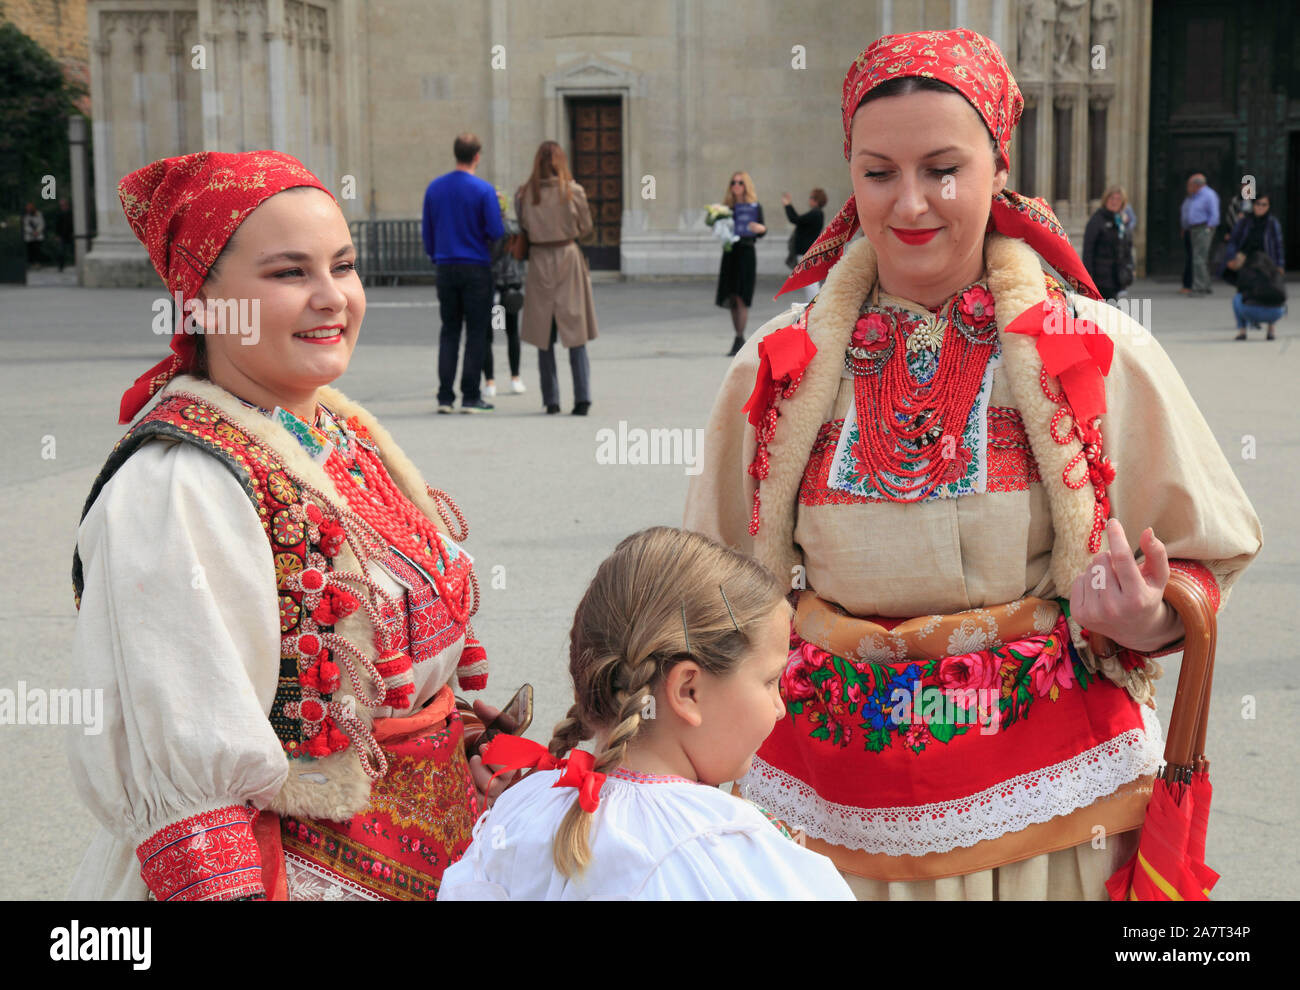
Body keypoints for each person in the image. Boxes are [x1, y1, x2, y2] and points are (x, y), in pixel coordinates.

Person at [684, 29, 1262, 901]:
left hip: (1054, 813)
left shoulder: (1095, 352)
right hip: (828, 819)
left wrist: (1148, 616)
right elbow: (708, 584)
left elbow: (1203, 556)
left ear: (998, 169)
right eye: (879, 172)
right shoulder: (777, 367)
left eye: (943, 169)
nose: (910, 203)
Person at [67, 150, 510, 900]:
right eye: (288, 273)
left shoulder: (337, 433)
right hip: (291, 875)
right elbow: (190, 770)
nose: (331, 297)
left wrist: (452, 739)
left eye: (343, 266)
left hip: (432, 861)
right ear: (201, 301)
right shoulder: (179, 485)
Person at [439, 527, 854, 900]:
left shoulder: (522, 809)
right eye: (769, 681)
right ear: (687, 691)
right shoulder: (725, 853)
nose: (780, 707)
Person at [423, 132, 504, 413]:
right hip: (476, 266)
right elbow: (496, 231)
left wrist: (436, 256)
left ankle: (445, 396)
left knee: (449, 331)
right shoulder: (483, 190)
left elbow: (428, 232)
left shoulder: (435, 188)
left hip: (446, 266)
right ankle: (471, 395)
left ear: (456, 153)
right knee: (477, 332)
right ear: (477, 157)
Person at [515, 141, 598, 416]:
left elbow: (523, 226)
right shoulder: (573, 192)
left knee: (544, 334)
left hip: (539, 260)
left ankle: (551, 399)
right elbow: (586, 228)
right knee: (576, 332)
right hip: (567, 256)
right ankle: (582, 397)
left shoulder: (525, 194)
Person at [717, 172, 768, 356]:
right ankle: (737, 337)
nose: (736, 186)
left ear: (746, 185)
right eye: (733, 182)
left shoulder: (754, 207)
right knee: (731, 297)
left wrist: (759, 228)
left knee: (741, 297)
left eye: (740, 182)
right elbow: (719, 229)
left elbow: (763, 230)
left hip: (746, 253)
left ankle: (739, 336)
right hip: (730, 254)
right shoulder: (726, 208)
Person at [483, 202, 526, 397]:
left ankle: (490, 382)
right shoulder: (515, 228)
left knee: (488, 335)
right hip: (512, 284)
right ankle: (515, 378)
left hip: (492, 285)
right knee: (511, 333)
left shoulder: (486, 229)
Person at [1219, 193, 1285, 286]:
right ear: (1253, 205)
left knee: (1264, 287)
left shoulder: (1272, 223)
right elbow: (1234, 241)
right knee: (1245, 287)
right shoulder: (1244, 222)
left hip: (1265, 260)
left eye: (1264, 204)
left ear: (1268, 206)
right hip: (1246, 258)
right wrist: (1231, 257)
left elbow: (1278, 245)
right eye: (1258, 204)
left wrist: (1279, 265)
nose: (1260, 207)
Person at [1082, 185, 1134, 300]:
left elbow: (1127, 246)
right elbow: (1088, 248)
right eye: (1111, 198)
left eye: (1118, 199)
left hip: (1118, 276)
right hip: (1101, 277)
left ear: (1123, 202)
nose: (1114, 202)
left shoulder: (1121, 221)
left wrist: (1130, 267)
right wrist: (1088, 274)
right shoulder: (1097, 219)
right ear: (1105, 200)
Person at [783, 188, 828, 302]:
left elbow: (795, 219)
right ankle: (813, 305)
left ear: (816, 200)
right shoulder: (817, 213)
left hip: (806, 251)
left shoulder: (815, 213)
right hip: (808, 251)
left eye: (811, 197)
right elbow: (798, 219)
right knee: (809, 281)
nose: (809, 200)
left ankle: (813, 305)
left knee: (810, 282)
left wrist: (788, 205)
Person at [1232, 248, 1286, 341]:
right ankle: (1271, 331)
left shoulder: (1246, 271)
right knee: (1275, 299)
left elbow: (1240, 291)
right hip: (1276, 313)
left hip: (1251, 312)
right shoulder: (1275, 273)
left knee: (1237, 298)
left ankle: (1242, 332)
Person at [1179, 173, 1219, 295]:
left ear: (1197, 184)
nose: (1189, 186)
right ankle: (1205, 284)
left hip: (1203, 228)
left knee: (1198, 259)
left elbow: (1214, 213)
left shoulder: (1208, 194)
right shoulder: (1195, 196)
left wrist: (1209, 228)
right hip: (1194, 229)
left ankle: (1199, 287)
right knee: (1200, 257)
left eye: (1190, 184)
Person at [22, 202, 45, 267]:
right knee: (30, 251)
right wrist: (32, 232)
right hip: (29, 236)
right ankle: (30, 263)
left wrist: (37, 231)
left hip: (38, 236)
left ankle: (37, 263)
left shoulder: (39, 214)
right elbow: (25, 226)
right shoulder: (26, 216)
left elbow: (42, 224)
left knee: (37, 250)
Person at [55, 197, 74, 272]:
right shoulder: (59, 214)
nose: (63, 206)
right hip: (62, 235)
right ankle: (60, 266)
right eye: (61, 205)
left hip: (70, 234)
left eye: (64, 205)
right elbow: (57, 225)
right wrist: (57, 235)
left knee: (73, 250)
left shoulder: (71, 213)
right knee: (61, 252)